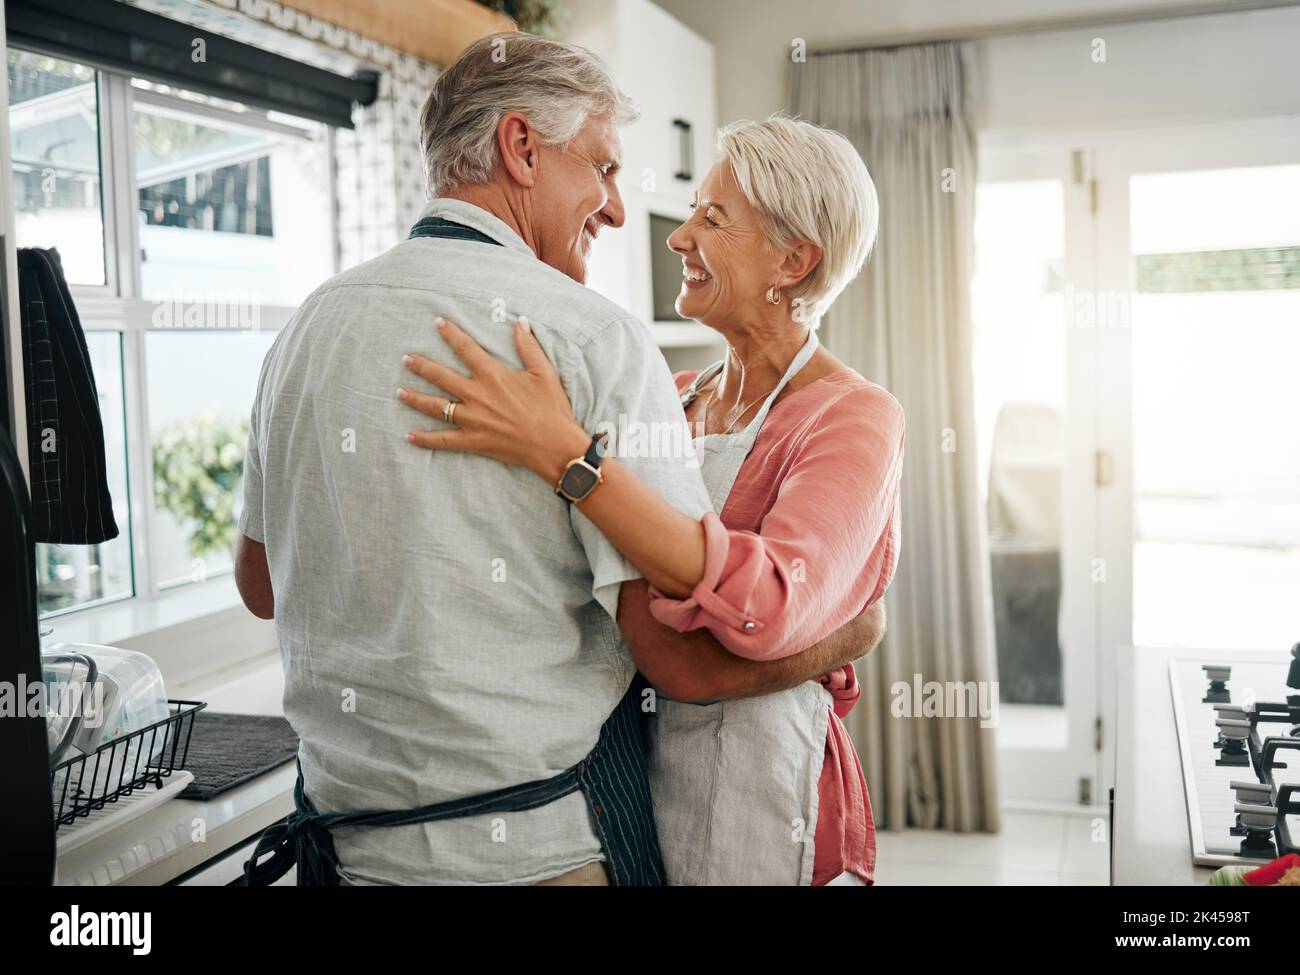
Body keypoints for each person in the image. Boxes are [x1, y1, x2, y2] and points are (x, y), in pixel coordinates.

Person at [235, 33, 882, 886]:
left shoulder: (306, 327)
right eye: (605, 170)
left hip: (340, 847)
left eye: (710, 216)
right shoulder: (593, 337)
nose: (621, 213)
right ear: (521, 148)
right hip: (533, 858)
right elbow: (675, 658)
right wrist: (857, 628)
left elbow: (262, 586)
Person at [399, 115, 903, 885]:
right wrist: (844, 636)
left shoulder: (855, 415)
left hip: (763, 790)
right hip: (632, 776)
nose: (677, 236)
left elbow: (769, 602)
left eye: (712, 217)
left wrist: (567, 456)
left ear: (793, 261)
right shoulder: (674, 399)